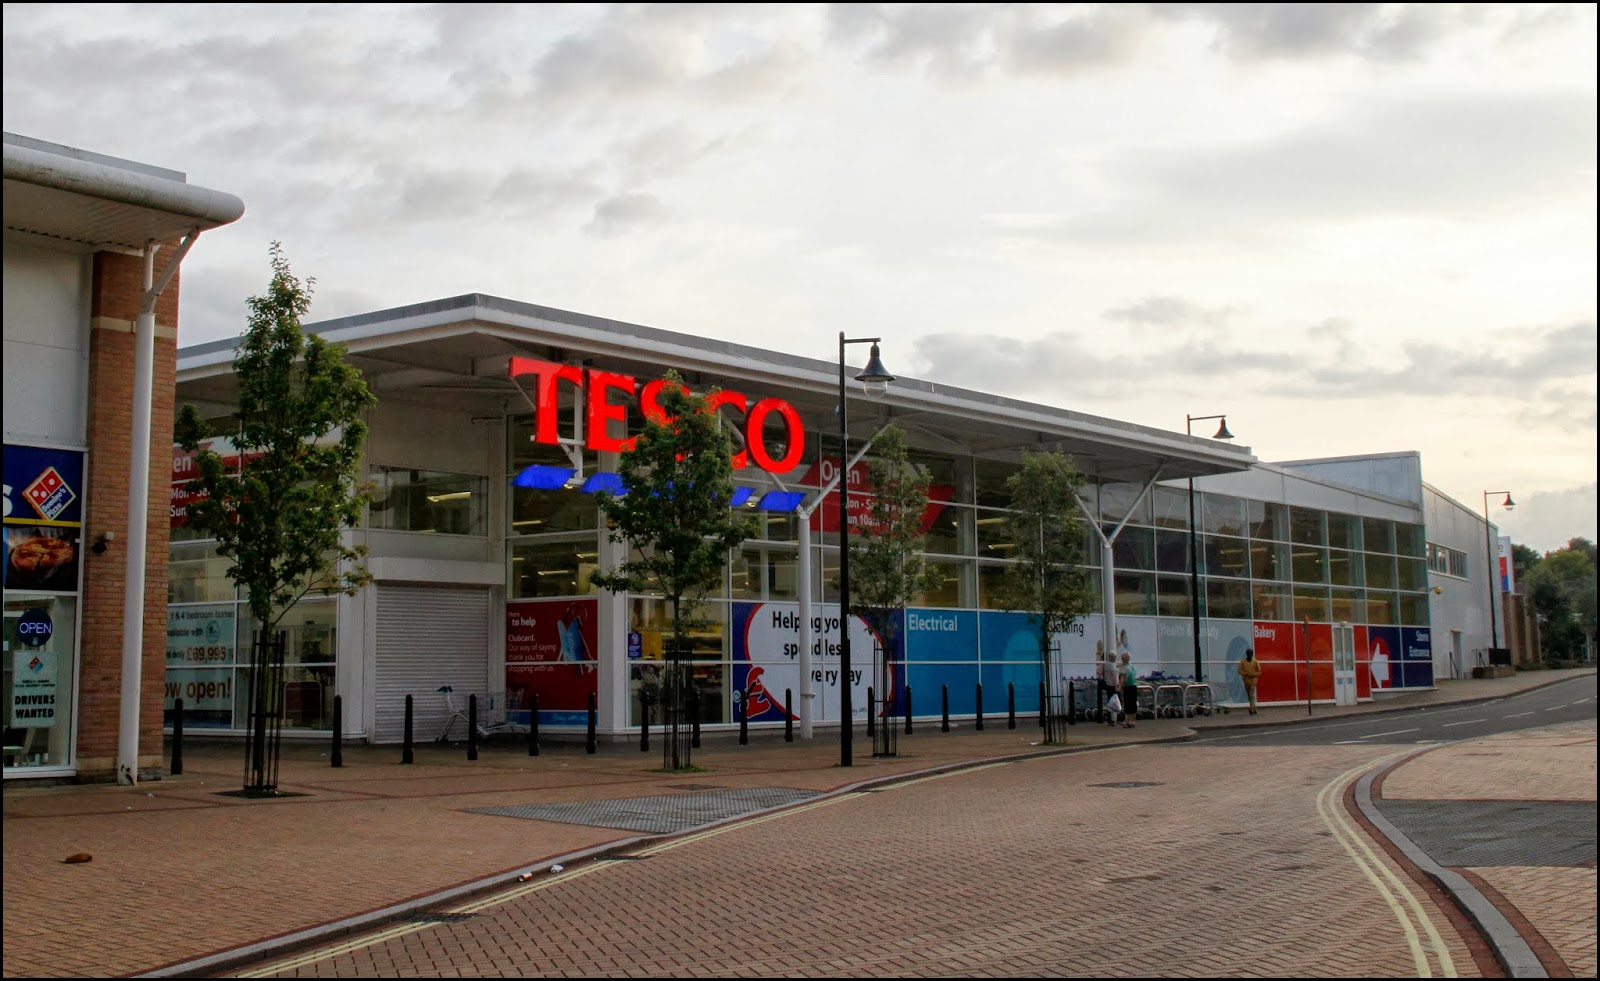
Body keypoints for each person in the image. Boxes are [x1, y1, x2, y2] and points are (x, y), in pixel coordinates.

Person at [1101, 646, 1121, 726]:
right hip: (1112, 685)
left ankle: (1110, 719)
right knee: (1115, 702)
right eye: (1114, 657)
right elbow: (1113, 676)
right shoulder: (1112, 665)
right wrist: (1117, 685)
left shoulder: (1107, 664)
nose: (1115, 658)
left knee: (1110, 702)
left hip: (1108, 684)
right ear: (1111, 657)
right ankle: (1115, 718)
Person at [1238, 647, 1261, 715]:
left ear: (1252, 654)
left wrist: (1253, 674)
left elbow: (1259, 672)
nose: (1249, 655)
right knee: (1249, 695)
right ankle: (1254, 708)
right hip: (1246, 681)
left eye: (1250, 653)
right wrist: (1246, 674)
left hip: (1253, 681)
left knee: (1252, 695)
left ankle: (1251, 709)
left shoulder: (1255, 662)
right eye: (1248, 653)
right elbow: (1240, 671)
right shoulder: (1243, 662)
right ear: (1246, 654)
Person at [1119, 651, 1138, 729]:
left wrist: (1119, 687)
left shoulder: (1123, 668)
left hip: (1127, 687)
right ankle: (1133, 721)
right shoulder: (1132, 667)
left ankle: (1127, 721)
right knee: (1133, 704)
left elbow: (1122, 679)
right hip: (1134, 686)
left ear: (1123, 659)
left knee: (1127, 704)